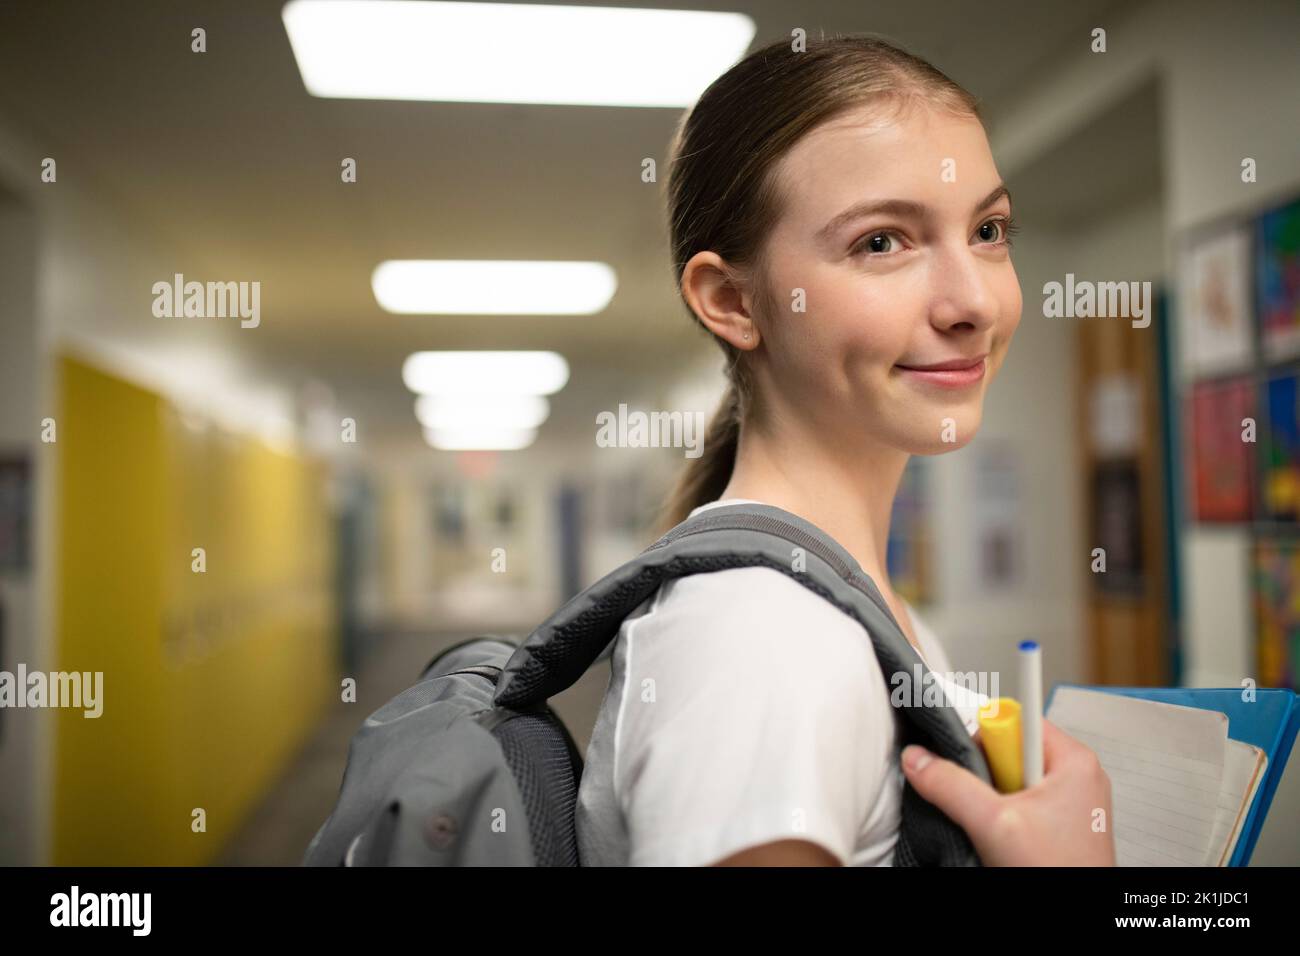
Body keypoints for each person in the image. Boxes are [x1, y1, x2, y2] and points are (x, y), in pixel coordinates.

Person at [574, 33, 1115, 866]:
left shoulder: (840, 600)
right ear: (731, 300)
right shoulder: (761, 635)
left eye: (988, 229)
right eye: (881, 243)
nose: (973, 300)